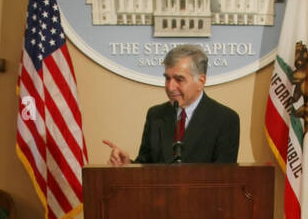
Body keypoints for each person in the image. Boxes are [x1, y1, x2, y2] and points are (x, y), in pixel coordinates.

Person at [103, 44, 240, 167]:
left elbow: (224, 179)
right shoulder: (155, 115)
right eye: (167, 78)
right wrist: (129, 165)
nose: (170, 87)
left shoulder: (225, 119)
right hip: (158, 196)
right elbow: (146, 167)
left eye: (179, 79)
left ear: (201, 81)